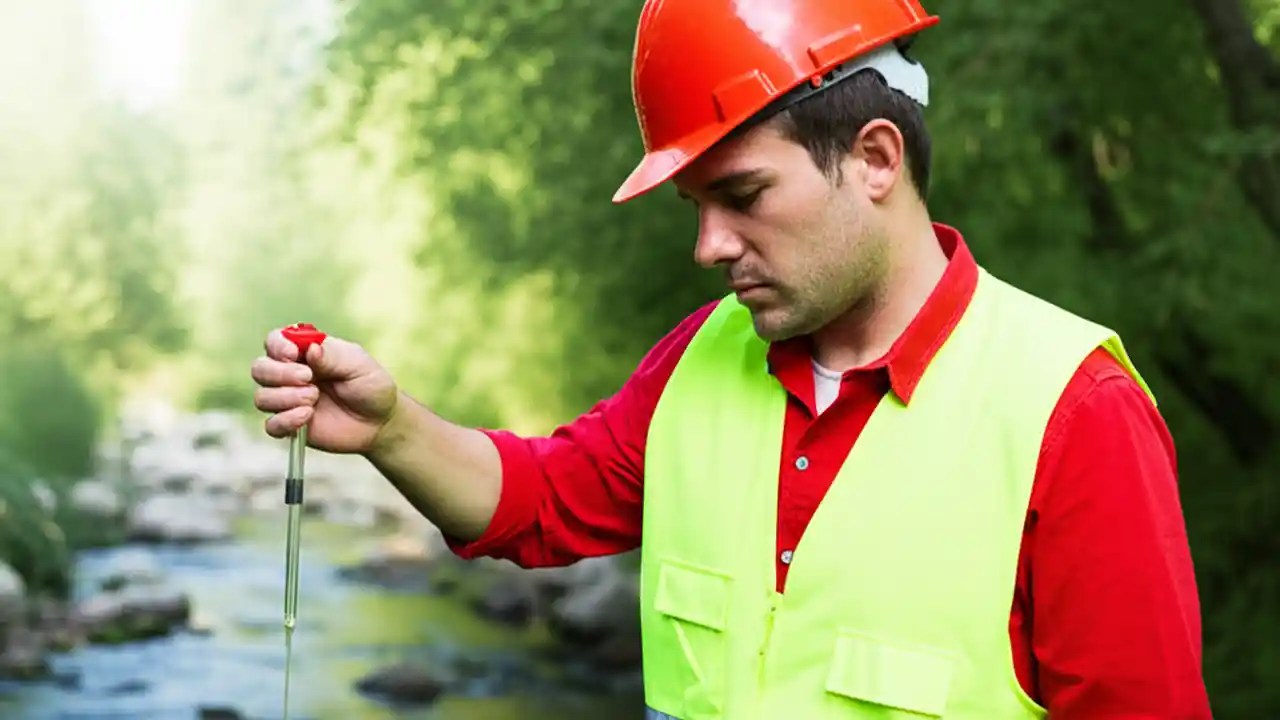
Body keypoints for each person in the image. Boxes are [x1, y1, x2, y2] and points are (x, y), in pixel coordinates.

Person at [251, 1, 1213, 717]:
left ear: (876, 159)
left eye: (743, 194)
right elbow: (537, 502)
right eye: (696, 207)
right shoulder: (704, 358)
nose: (709, 247)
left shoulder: (1073, 410)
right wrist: (389, 427)